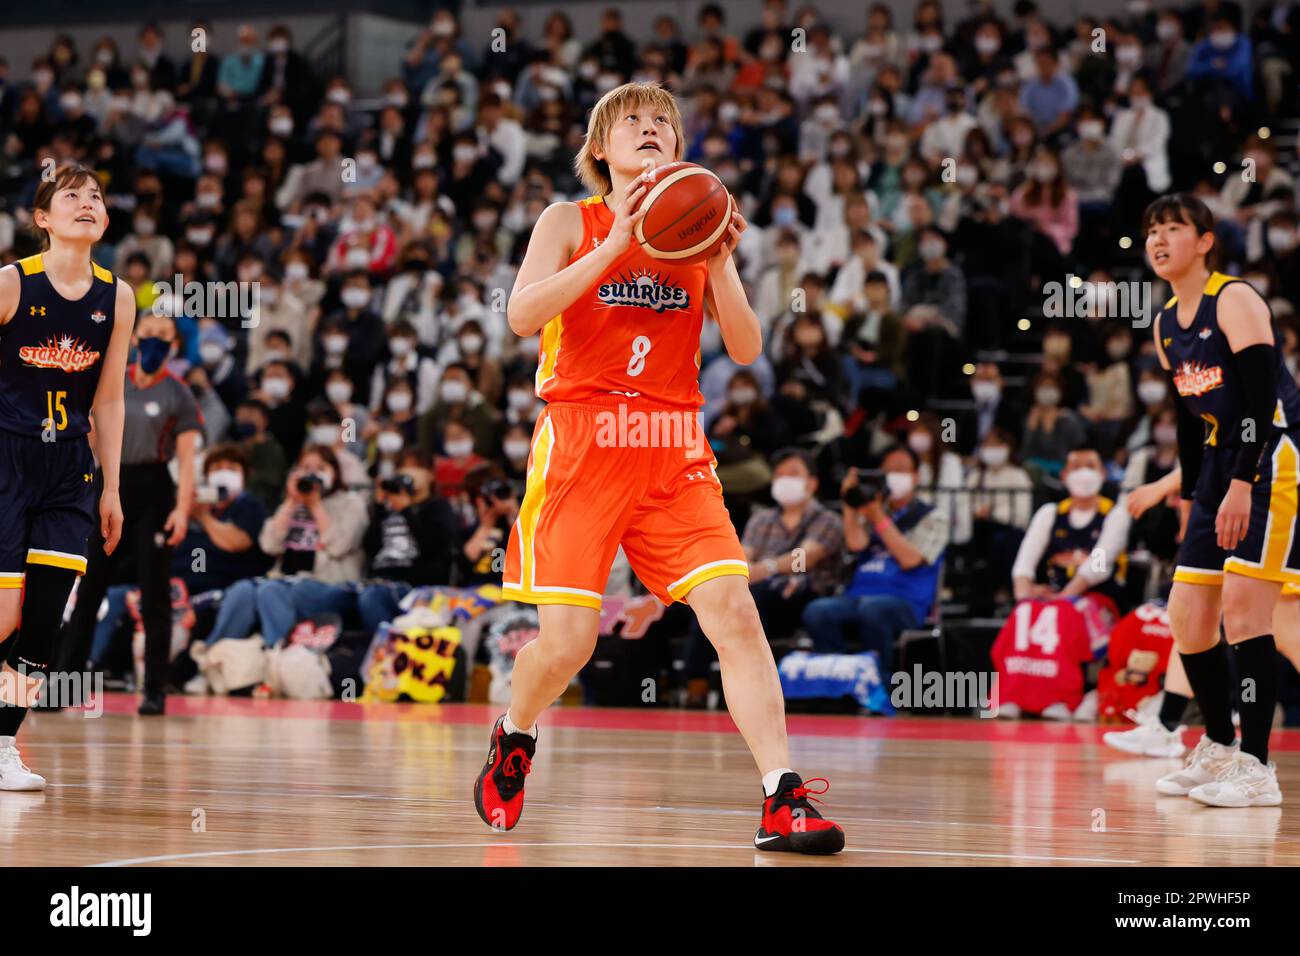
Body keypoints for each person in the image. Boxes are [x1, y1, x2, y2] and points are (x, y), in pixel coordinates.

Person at [480, 81, 844, 854]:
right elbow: (520, 315)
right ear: (600, 149)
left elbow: (745, 349)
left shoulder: (697, 229)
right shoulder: (567, 220)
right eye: (633, 122)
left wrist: (720, 263)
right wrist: (613, 248)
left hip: (673, 444)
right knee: (570, 646)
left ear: (678, 150)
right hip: (582, 441)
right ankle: (515, 733)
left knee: (735, 615)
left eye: (664, 124)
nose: (650, 130)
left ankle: (782, 800)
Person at [1142, 192, 1300, 806]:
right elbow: (1187, 420)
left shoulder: (1233, 298)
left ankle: (1259, 768)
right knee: (1186, 613)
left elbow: (1261, 398)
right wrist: (1191, 494)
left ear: (1204, 241)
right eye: (1152, 230)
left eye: (1173, 228)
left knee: (1245, 610)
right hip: (1214, 467)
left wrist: (1241, 479)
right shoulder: (1164, 326)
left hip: (1270, 458)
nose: (1159, 239)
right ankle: (1218, 745)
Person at [0, 163, 131, 789]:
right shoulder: (9, 284)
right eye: (71, 195)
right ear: (43, 220)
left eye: (96, 196)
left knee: (45, 615)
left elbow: (109, 400)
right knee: (3, 616)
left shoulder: (119, 297)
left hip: (69, 470)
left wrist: (110, 486)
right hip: (7, 457)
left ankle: (2, 744)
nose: (87, 202)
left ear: (104, 219)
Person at [57, 310, 203, 715]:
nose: (154, 341)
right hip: (108, 486)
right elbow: (86, 435)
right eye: (148, 333)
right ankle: (66, 685)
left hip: (153, 491)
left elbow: (188, 460)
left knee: (154, 594)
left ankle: (154, 690)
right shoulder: (112, 380)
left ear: (174, 346)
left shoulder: (179, 393)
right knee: (88, 592)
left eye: (164, 336)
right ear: (135, 337)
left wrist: (182, 509)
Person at [801, 445, 948, 674]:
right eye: (888, 471)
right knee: (818, 611)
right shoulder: (872, 508)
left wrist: (877, 516)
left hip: (904, 601)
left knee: (875, 610)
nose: (894, 476)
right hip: (858, 597)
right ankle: (837, 680)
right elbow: (856, 543)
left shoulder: (932, 516)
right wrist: (850, 503)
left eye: (901, 469)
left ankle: (879, 687)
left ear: (916, 475)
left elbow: (909, 559)